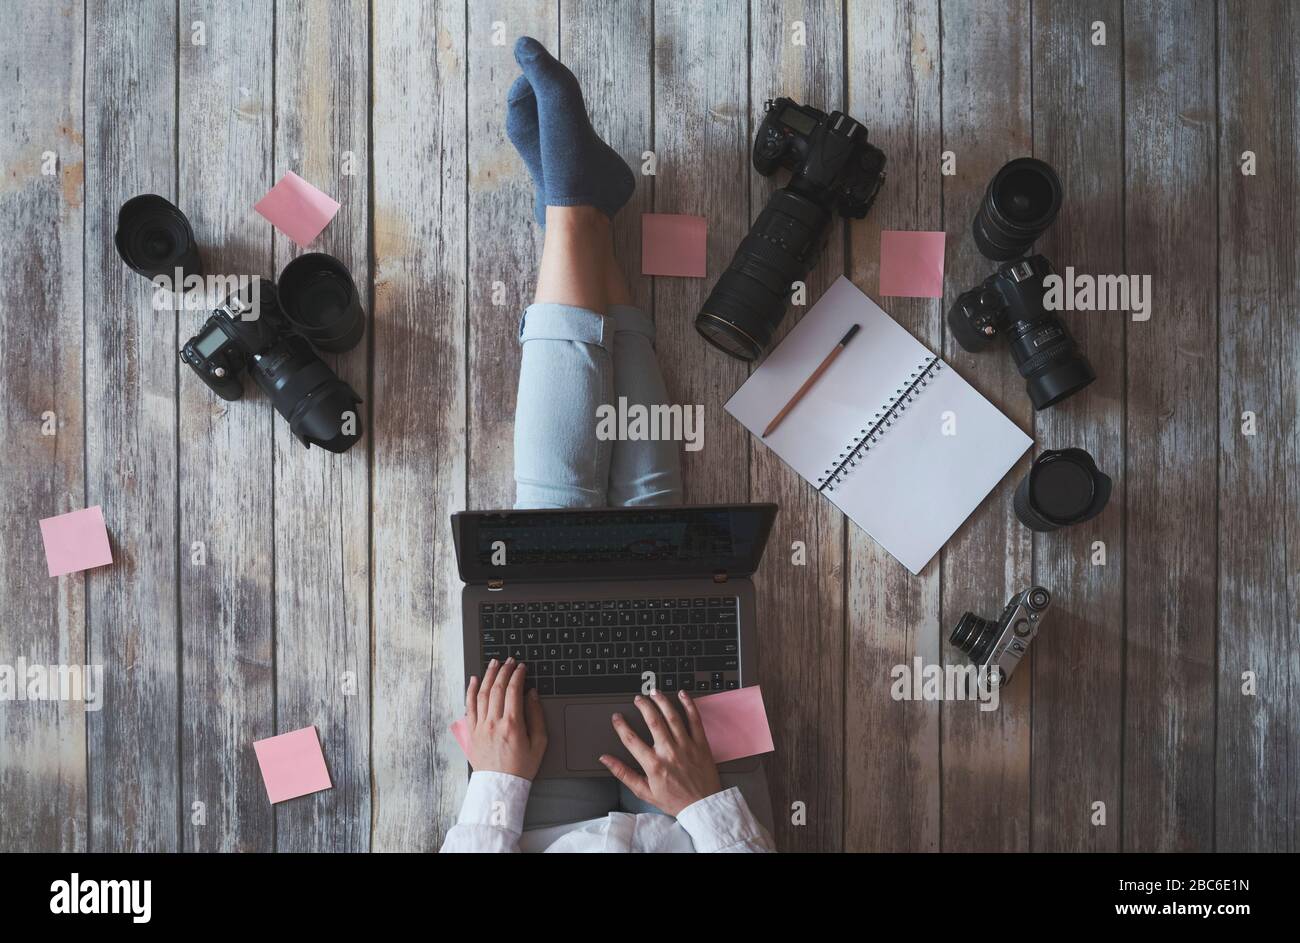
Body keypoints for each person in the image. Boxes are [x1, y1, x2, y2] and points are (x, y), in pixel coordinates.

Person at [440, 38, 774, 854]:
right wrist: (707, 806)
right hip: (684, 826)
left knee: (557, 524)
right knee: (652, 526)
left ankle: (577, 213)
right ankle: (578, 213)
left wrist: (495, 785)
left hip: (536, 819)